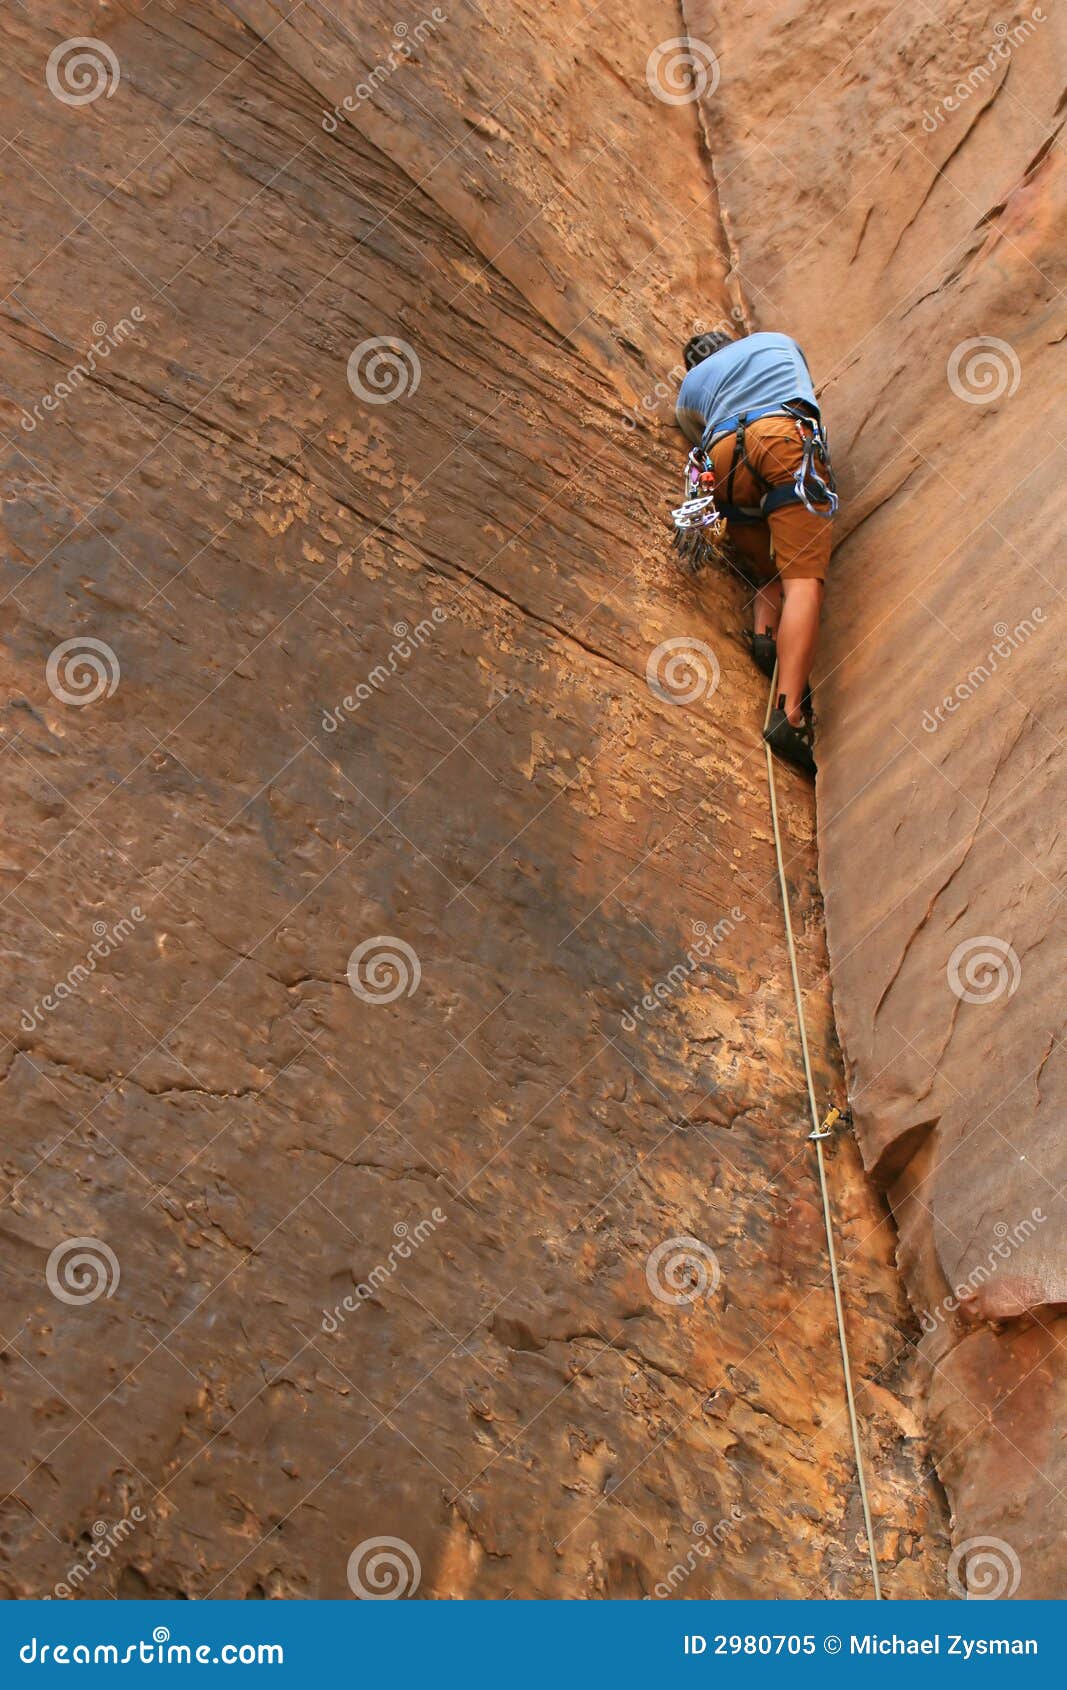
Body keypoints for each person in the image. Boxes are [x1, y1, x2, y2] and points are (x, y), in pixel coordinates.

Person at [675, 328, 837, 777]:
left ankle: (766, 636)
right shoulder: (779, 341)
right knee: (802, 579)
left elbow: (694, 437)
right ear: (731, 339)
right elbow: (802, 387)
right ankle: (789, 716)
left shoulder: (689, 389)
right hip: (784, 435)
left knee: (768, 563)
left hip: (722, 459)